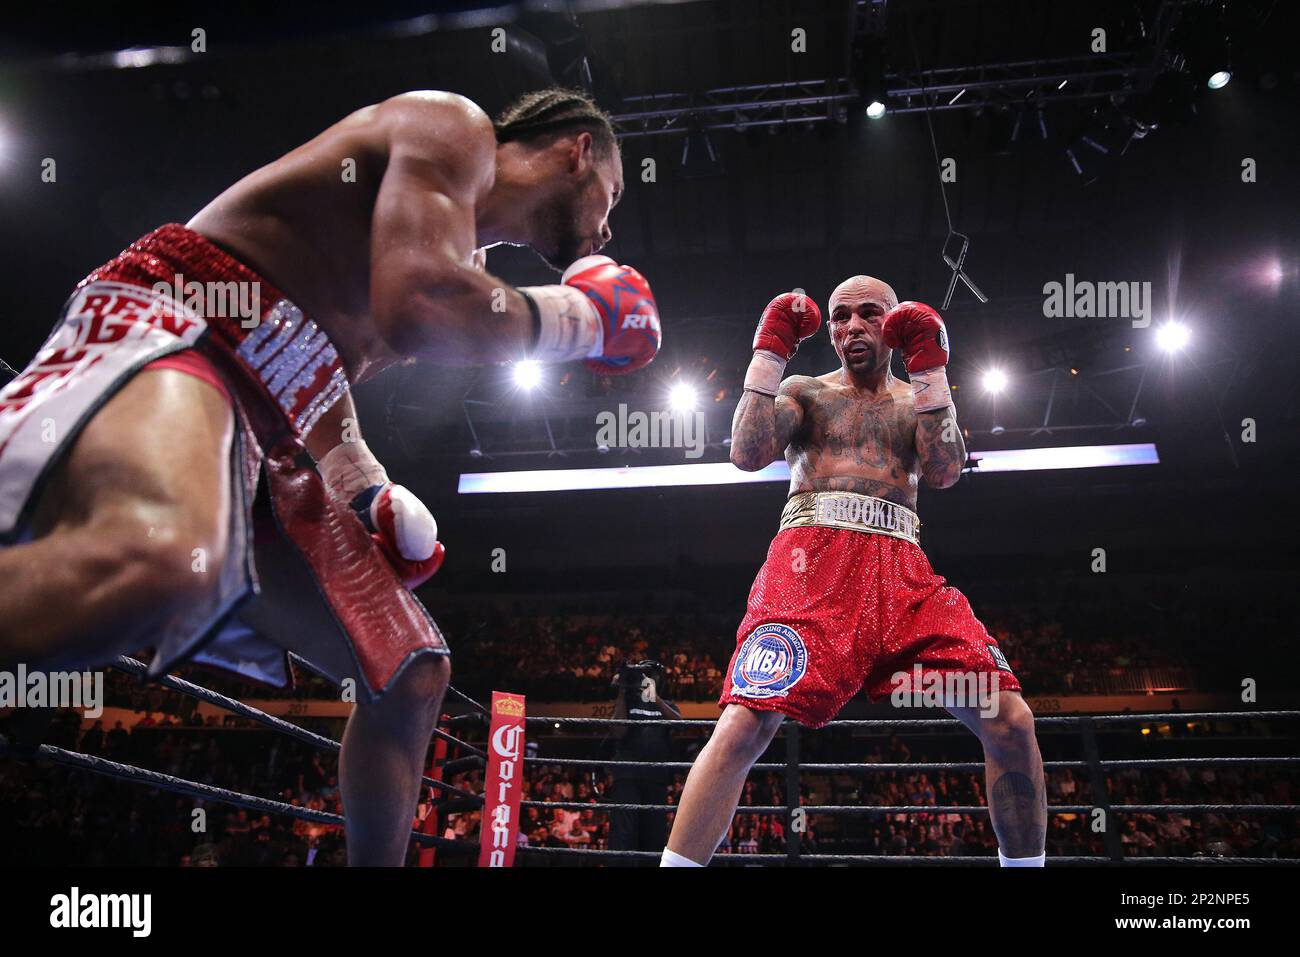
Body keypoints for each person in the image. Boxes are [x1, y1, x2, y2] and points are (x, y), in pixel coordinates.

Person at [0, 87, 661, 865]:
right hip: (176, 325)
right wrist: (584, 319)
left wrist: (363, 487)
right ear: (577, 149)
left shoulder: (461, 264)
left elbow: (320, 371)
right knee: (168, 554)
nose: (609, 224)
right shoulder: (454, 128)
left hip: (262, 419)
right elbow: (416, 305)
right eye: (612, 192)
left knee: (410, 674)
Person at [661, 278, 1045, 867]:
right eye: (840, 317)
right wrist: (768, 352)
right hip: (808, 563)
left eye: (869, 314)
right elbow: (746, 452)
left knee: (1011, 720)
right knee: (745, 725)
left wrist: (932, 370)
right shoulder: (805, 392)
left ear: (893, 325)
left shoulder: (917, 399)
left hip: (903, 570)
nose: (851, 327)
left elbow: (944, 472)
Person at [606, 659, 679, 854]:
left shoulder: (666, 705)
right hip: (627, 775)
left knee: (654, 833)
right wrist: (622, 690)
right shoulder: (626, 703)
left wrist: (655, 698)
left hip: (656, 776)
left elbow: (679, 724)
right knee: (623, 832)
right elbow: (618, 732)